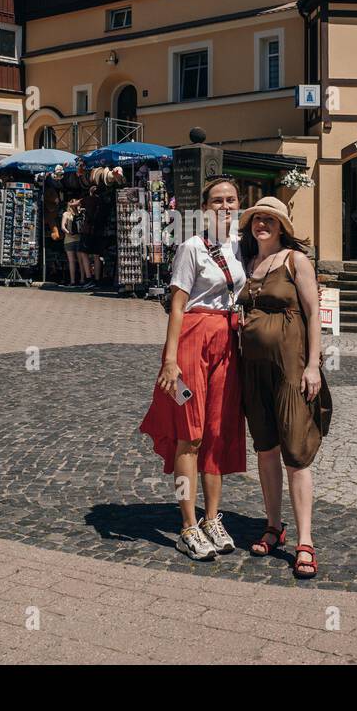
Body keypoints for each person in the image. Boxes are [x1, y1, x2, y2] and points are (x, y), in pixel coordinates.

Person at [140, 177, 246, 560]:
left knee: (218, 431)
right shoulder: (190, 247)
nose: (224, 206)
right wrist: (169, 360)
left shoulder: (239, 246)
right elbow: (178, 306)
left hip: (227, 341)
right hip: (193, 341)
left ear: (238, 203)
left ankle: (212, 518)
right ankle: (187, 525)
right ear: (204, 209)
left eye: (230, 199)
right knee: (191, 434)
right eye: (216, 200)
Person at [237, 197, 330, 580]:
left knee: (296, 452)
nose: (262, 225)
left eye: (270, 220)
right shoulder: (248, 264)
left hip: (290, 369)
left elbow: (312, 315)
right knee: (265, 449)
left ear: (282, 227)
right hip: (253, 370)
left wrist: (313, 365)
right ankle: (274, 525)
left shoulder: (296, 261)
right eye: (257, 219)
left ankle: (305, 540)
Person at [60, 198, 83, 287]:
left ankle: (73, 281)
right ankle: (82, 280)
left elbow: (62, 227)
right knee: (80, 261)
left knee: (71, 261)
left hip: (68, 239)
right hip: (78, 239)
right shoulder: (79, 214)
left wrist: (69, 233)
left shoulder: (66, 214)